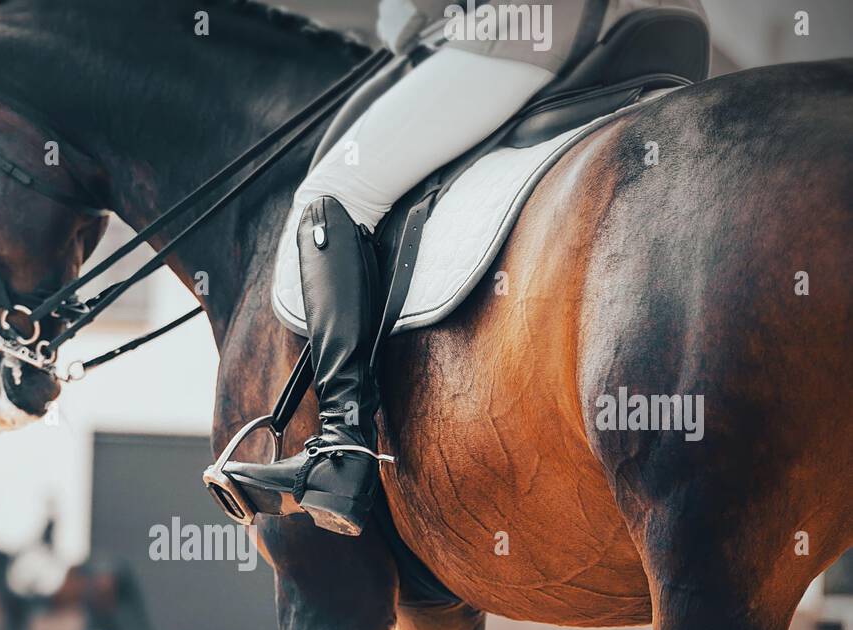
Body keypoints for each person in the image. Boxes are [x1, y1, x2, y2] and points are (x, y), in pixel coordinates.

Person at [227, 0, 708, 537]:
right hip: (669, 29)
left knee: (337, 191)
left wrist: (407, 23)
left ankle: (343, 446)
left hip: (533, 28)